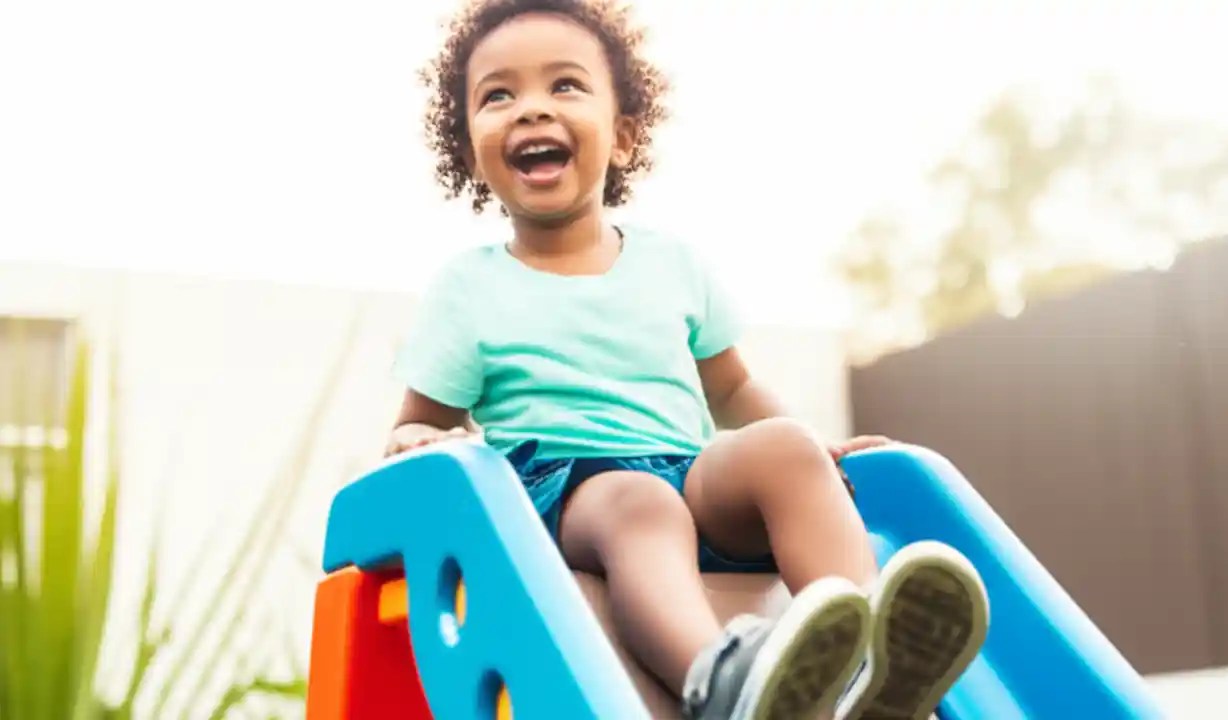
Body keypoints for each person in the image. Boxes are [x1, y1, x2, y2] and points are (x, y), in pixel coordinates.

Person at [388, 1, 989, 717]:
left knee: (783, 449)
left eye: (566, 86)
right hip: (564, 494)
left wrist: (818, 455)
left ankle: (868, 662)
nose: (530, 110)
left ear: (623, 136)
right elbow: (419, 423)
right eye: (498, 96)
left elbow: (731, 385)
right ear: (468, 147)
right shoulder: (469, 288)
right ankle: (719, 677)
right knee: (638, 502)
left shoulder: (671, 264)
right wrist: (416, 439)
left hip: (685, 474)